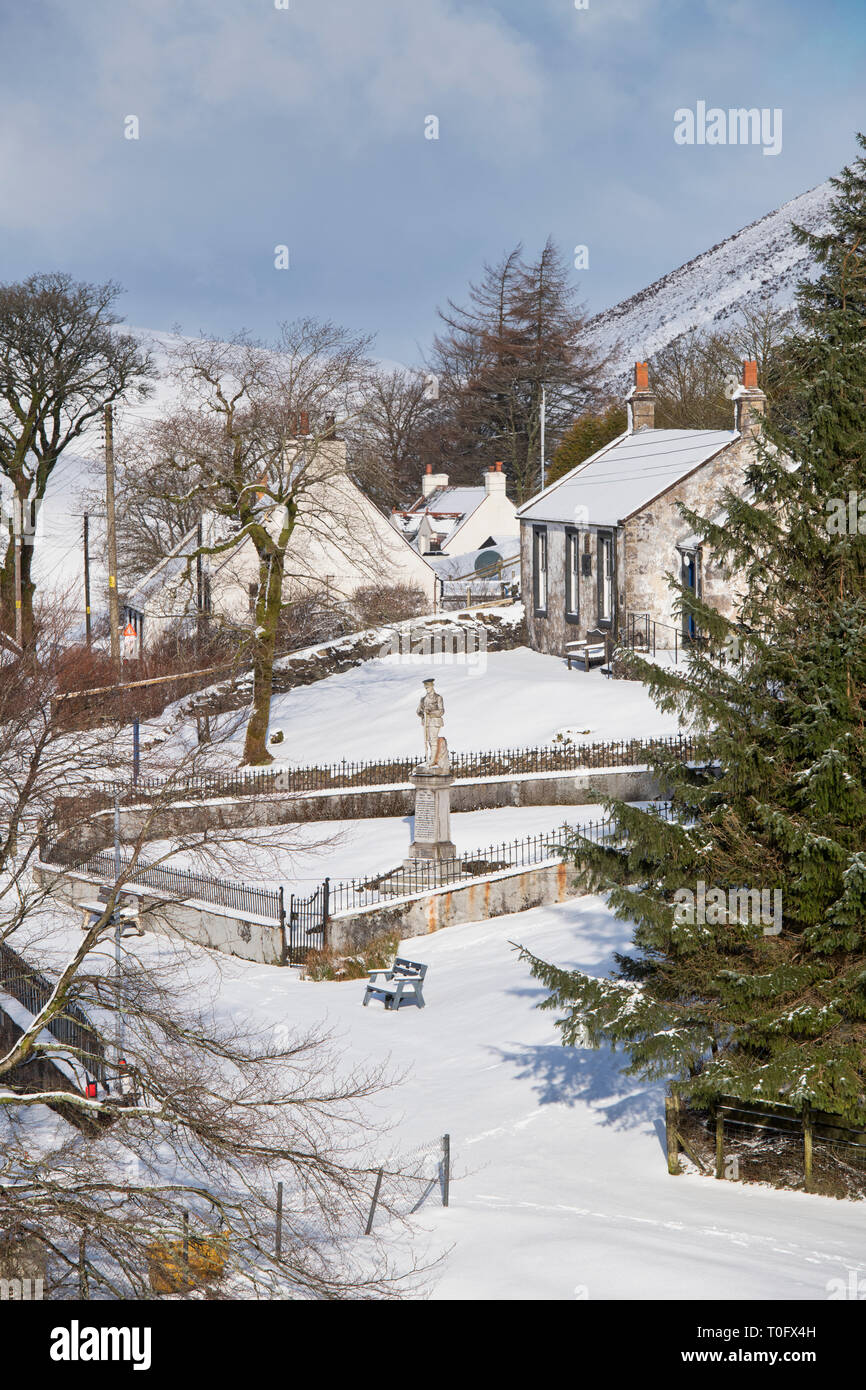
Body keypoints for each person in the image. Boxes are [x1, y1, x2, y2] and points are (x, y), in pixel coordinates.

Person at [416, 679, 445, 766]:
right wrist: (423, 714)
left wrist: (430, 713)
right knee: (428, 740)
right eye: (426, 688)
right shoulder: (423, 699)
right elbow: (418, 711)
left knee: (433, 739)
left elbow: (441, 711)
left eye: (428, 687)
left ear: (432, 686)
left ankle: (433, 760)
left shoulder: (438, 697)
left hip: (435, 721)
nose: (427, 689)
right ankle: (431, 757)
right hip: (426, 722)